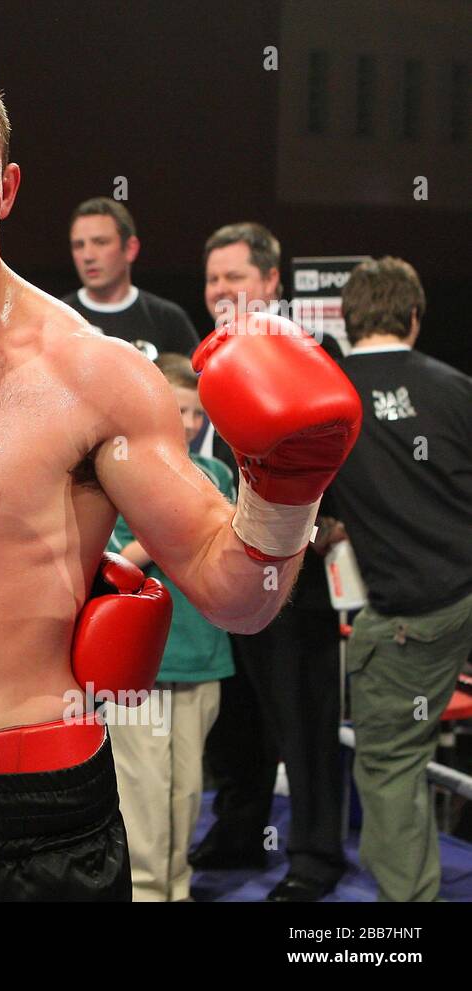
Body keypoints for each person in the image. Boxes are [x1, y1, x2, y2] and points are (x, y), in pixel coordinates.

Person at [0, 62, 360, 902]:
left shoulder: (98, 377)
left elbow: (240, 597)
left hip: (36, 807)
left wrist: (288, 487)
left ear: (9, 189)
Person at [189, 222, 348, 901]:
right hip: (228, 565)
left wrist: (324, 526)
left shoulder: (315, 347)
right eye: (213, 278)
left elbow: (342, 448)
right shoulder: (208, 360)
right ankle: (240, 826)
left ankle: (316, 855)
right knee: (237, 717)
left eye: (235, 277)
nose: (222, 290)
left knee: (304, 719)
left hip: (296, 571)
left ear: (272, 281)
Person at [330, 257, 472, 901]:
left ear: (345, 317)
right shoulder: (455, 388)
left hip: (410, 615)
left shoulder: (326, 405)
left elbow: (305, 513)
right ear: (414, 318)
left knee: (390, 764)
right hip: (460, 596)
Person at [104, 353, 234, 901]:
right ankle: (146, 894)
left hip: (203, 655)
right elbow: (110, 568)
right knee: (144, 791)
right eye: (178, 409)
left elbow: (234, 564)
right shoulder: (116, 471)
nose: (187, 423)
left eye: (196, 414)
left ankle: (175, 891)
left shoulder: (221, 474)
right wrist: (169, 536)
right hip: (139, 665)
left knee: (186, 791)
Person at [61, 197, 198, 361]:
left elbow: (192, 384)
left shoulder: (168, 318)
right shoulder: (57, 317)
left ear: (130, 249)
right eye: (79, 245)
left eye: (100, 242)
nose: (88, 256)